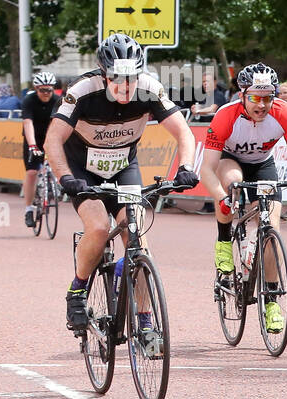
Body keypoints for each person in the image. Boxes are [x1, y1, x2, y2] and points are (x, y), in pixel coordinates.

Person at [44, 35, 198, 335]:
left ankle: (144, 322)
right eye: (118, 80)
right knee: (99, 227)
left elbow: (184, 133)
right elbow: (53, 140)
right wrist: (65, 178)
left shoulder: (151, 90)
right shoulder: (83, 91)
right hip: (82, 170)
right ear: (104, 75)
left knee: (137, 237)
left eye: (131, 79)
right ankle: (77, 291)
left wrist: (187, 167)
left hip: (124, 167)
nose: (125, 87)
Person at [200, 65, 287, 334]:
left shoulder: (284, 112)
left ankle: (272, 303)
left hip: (263, 164)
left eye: (268, 97)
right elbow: (206, 169)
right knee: (231, 186)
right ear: (242, 95)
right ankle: (224, 241)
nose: (262, 105)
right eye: (255, 98)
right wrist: (221, 197)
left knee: (272, 227)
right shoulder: (225, 116)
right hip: (231, 160)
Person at [20, 72, 59, 228]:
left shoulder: (57, 101)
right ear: (36, 89)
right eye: (42, 90)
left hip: (49, 134)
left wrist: (52, 144)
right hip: (32, 137)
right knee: (32, 172)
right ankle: (29, 209)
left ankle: (53, 186)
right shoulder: (29, 100)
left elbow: (55, 124)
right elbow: (27, 123)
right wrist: (32, 145)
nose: (46, 94)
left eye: (49, 90)